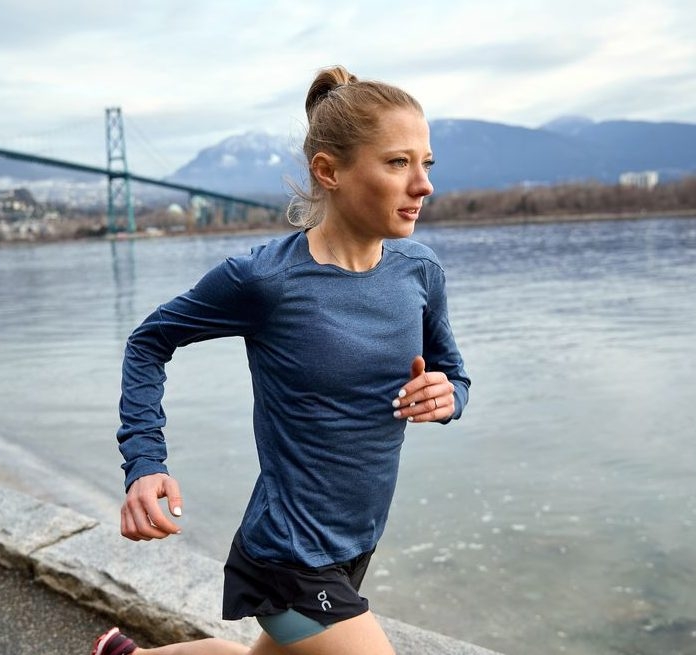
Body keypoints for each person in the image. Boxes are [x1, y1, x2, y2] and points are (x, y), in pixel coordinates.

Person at [93, 64, 471, 655]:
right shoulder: (265, 279)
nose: (422, 185)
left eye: (426, 164)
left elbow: (456, 375)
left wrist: (449, 397)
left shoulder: (420, 273)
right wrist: (144, 462)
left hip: (355, 545)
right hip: (286, 556)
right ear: (330, 171)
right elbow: (149, 342)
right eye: (399, 163)